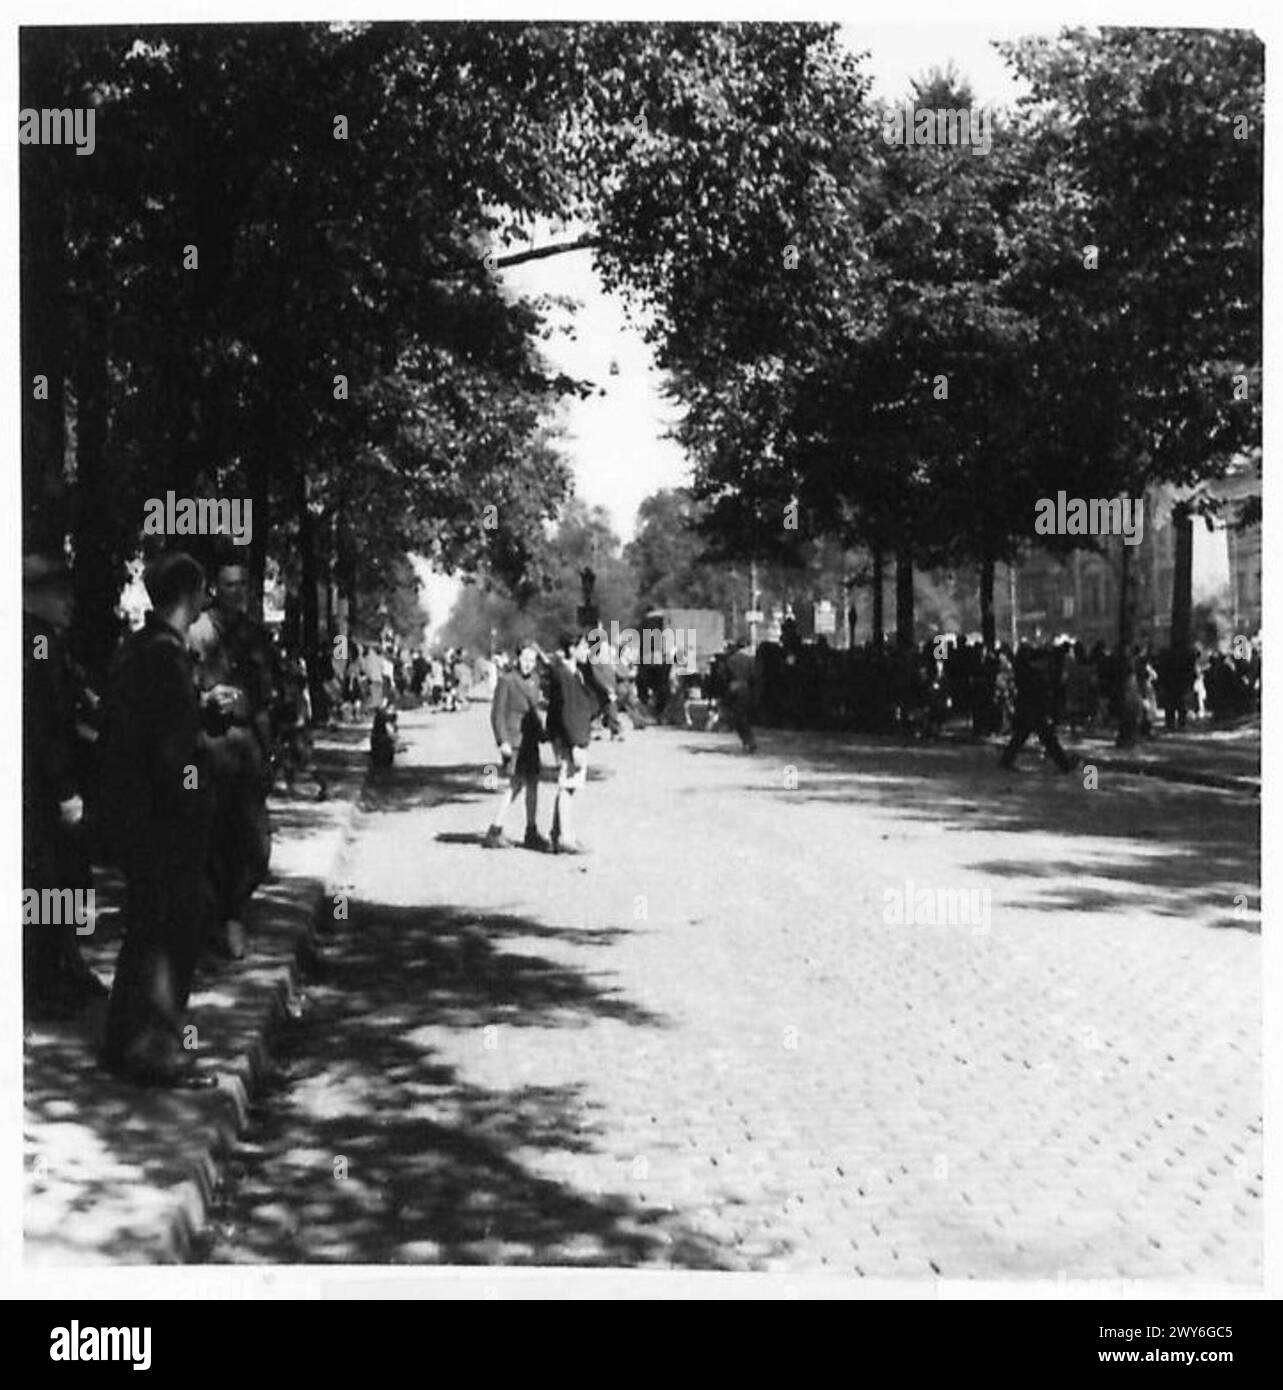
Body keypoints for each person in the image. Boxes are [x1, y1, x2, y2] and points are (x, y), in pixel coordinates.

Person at [99, 553, 220, 1088]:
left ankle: (122, 1043)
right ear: (190, 595)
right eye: (203, 592)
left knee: (144, 928)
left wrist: (201, 708)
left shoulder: (137, 648)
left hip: (133, 811)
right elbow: (174, 756)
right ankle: (156, 1053)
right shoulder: (168, 658)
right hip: (166, 818)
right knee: (173, 932)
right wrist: (197, 793)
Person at [22, 553, 108, 1018]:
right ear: (31, 595)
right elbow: (43, 724)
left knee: (65, 879)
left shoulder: (45, 640)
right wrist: (64, 791)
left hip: (47, 783)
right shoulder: (37, 644)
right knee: (50, 883)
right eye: (60, 593)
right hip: (42, 790)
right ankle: (47, 984)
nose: (69, 601)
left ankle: (65, 968)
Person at [187, 558, 275, 960]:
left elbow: (269, 695)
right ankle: (223, 920)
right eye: (228, 585)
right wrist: (205, 699)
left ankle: (233, 908)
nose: (236, 592)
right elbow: (176, 687)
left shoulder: (256, 635)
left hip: (248, 745)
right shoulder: (197, 633)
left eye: (242, 585)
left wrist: (271, 751)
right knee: (211, 836)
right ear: (214, 590)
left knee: (255, 842)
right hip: (209, 745)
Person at [483, 643, 550, 850]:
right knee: (516, 784)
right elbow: (497, 713)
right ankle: (495, 830)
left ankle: (531, 830)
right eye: (525, 659)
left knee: (533, 784)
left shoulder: (536, 680)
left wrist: (542, 733)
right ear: (517, 659)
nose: (528, 664)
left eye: (532, 660)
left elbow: (535, 710)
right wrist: (502, 740)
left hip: (530, 739)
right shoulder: (507, 680)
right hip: (514, 741)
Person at [545, 630, 598, 855]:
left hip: (572, 735)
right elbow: (567, 712)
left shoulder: (575, 673)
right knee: (567, 786)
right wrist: (576, 743)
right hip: (571, 738)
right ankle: (566, 838)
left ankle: (556, 835)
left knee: (569, 784)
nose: (587, 651)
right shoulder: (565, 675)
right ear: (571, 649)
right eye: (583, 646)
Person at [998, 643, 1077, 773]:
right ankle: (1064, 764)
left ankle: (1006, 760)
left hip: (1028, 708)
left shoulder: (1023, 669)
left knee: (1022, 737)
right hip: (1033, 709)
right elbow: (1038, 689)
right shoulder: (1029, 672)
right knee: (1046, 738)